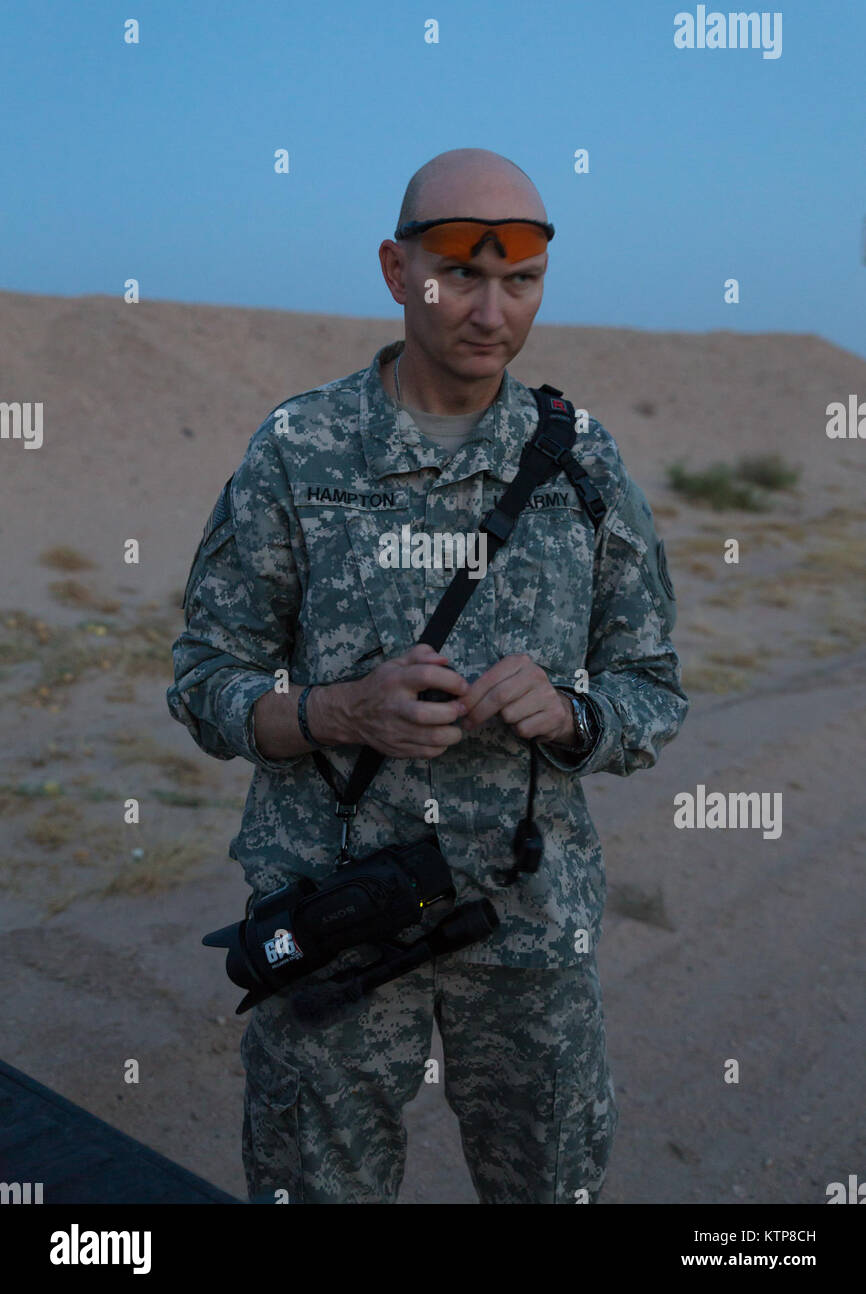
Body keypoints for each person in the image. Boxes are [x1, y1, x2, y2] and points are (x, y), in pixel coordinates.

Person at [167, 147, 689, 1205]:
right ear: (395, 270)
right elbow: (205, 681)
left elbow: (651, 689)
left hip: (524, 924)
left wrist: (571, 713)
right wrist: (332, 709)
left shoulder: (581, 464)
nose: (489, 311)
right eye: (458, 271)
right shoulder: (298, 450)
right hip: (334, 913)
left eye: (521, 279)